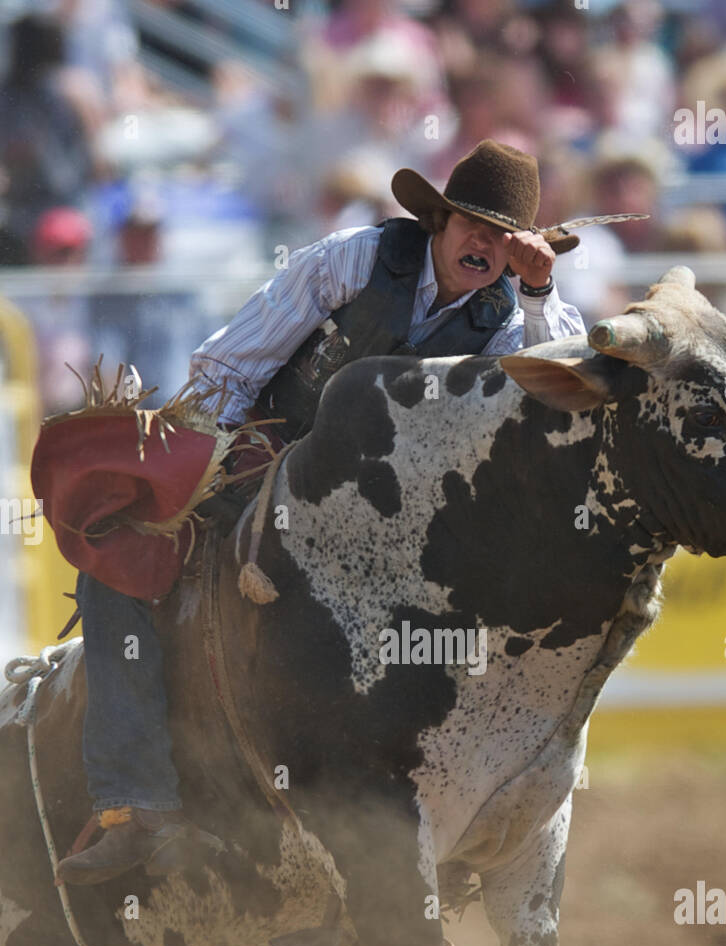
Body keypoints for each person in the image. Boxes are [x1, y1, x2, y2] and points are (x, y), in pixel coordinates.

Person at [56, 140, 587, 884]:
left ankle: (446, 833)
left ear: (526, 253)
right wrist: (209, 464)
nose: (487, 247)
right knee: (118, 572)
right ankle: (139, 804)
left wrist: (536, 295)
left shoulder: (517, 314)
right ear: (440, 221)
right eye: (475, 226)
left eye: (506, 240)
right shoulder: (355, 260)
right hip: (268, 464)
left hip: (406, 521)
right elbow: (229, 365)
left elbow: (555, 407)